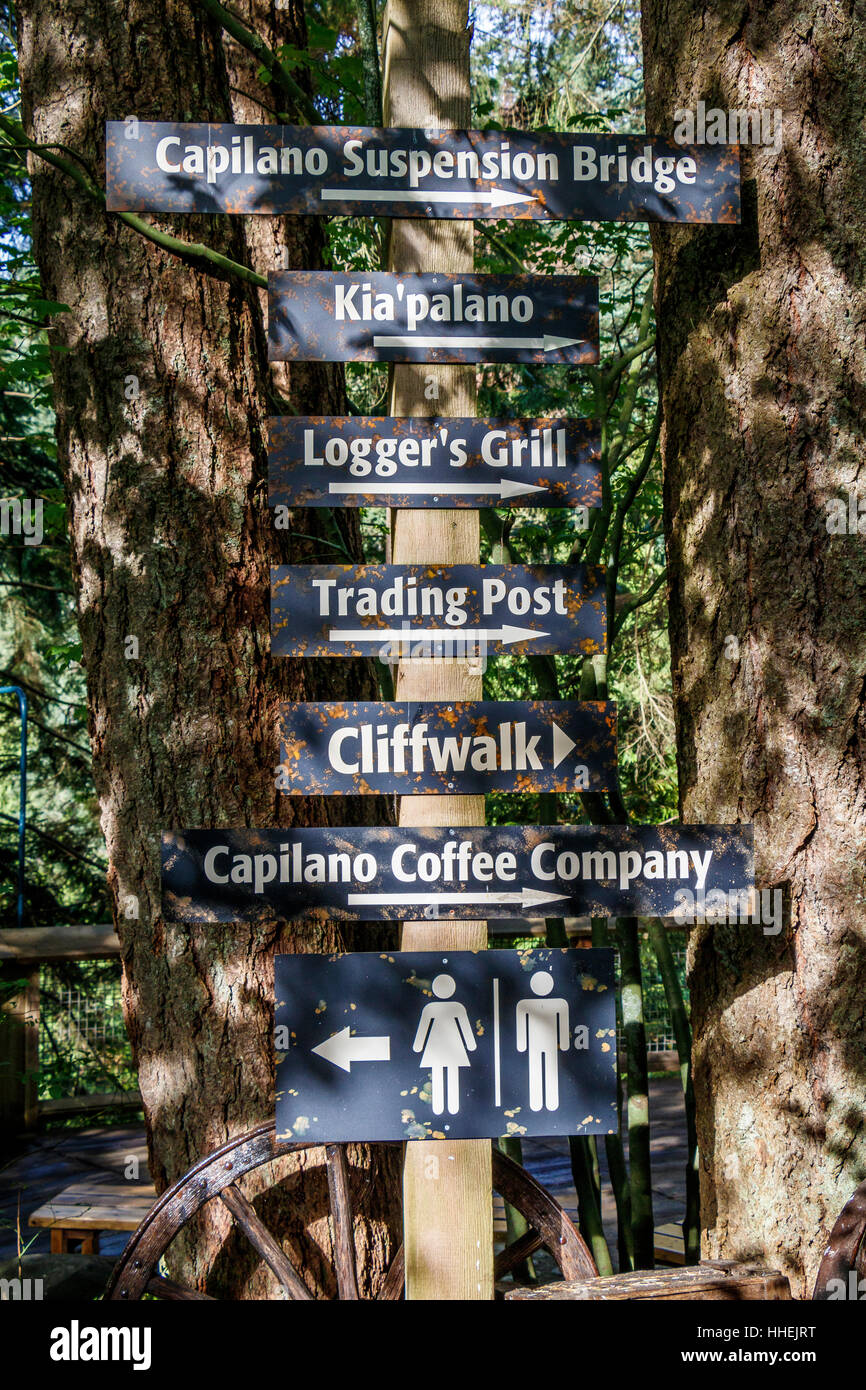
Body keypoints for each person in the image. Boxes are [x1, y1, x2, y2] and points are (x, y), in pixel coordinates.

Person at [413, 973, 477, 1116]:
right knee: (443, 1072)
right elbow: (423, 1027)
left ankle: (447, 1107)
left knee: (444, 1072)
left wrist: (418, 1046)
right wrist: (470, 1044)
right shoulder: (452, 1007)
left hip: (443, 1046)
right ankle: (442, 1107)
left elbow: (464, 1027)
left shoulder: (437, 1008)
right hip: (446, 1046)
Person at [516, 970, 569, 1112]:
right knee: (538, 1070)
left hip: (548, 1044)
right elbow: (522, 1025)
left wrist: (564, 1043)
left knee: (549, 1071)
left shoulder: (559, 1004)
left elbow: (562, 1025)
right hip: (537, 1044)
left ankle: (549, 1102)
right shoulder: (525, 1005)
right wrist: (521, 1044)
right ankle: (537, 1102)